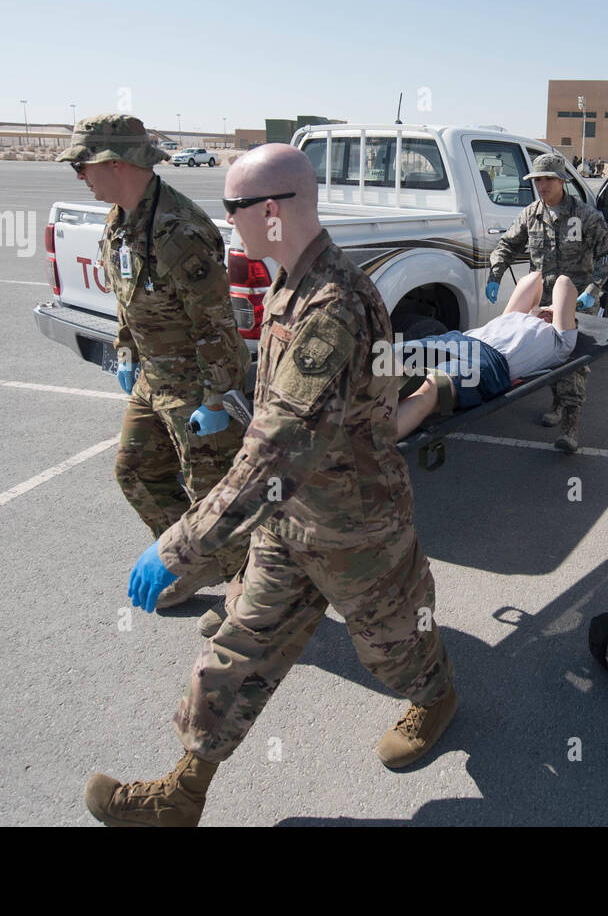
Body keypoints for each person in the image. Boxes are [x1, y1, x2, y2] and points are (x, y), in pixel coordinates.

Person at [84, 144, 456, 827]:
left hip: (356, 529)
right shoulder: (291, 282)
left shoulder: (333, 305)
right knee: (235, 652)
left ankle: (435, 697)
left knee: (395, 650)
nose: (226, 224)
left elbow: (276, 452)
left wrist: (181, 545)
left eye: (233, 209)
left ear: (273, 211)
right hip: (289, 524)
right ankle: (181, 795)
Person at [58, 114, 250, 622]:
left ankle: (245, 597)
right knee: (137, 471)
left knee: (215, 497)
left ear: (113, 163)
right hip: (154, 378)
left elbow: (216, 325)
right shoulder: (121, 219)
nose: (79, 176)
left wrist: (217, 399)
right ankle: (190, 560)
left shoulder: (177, 231)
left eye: (82, 166)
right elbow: (126, 295)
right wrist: (125, 352)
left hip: (197, 388)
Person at [486, 153, 608, 454]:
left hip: (576, 299)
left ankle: (571, 425)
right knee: (547, 355)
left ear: (562, 181)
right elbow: (507, 244)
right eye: (538, 180)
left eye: (548, 179)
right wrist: (496, 272)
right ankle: (557, 403)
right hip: (543, 299)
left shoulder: (584, 216)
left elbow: (607, 252)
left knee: (573, 363)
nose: (542, 185)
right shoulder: (531, 214)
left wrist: (594, 289)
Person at [394, 272, 579, 439]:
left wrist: (553, 310)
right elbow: (533, 278)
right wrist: (538, 309)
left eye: (554, 311)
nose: (548, 312)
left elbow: (564, 282)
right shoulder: (516, 316)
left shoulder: (561, 342)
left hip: (489, 361)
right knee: (387, 355)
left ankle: (372, 451)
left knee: (430, 388)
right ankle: (377, 396)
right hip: (460, 341)